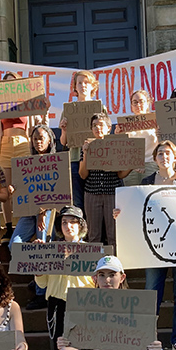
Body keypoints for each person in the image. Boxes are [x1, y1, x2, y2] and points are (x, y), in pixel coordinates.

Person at [114, 140, 176, 350]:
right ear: (155, 158)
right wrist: (121, 214)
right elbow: (136, 212)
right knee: (152, 295)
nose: (164, 157)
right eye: (160, 153)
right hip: (154, 249)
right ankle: (150, 339)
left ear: (175, 156)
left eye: (168, 153)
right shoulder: (146, 182)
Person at [57, 255, 162, 350]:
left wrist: (156, 348)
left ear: (122, 277)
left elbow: (149, 339)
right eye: (102, 275)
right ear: (95, 278)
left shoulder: (137, 305)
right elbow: (72, 338)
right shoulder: (82, 303)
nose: (107, 280)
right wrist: (64, 342)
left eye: (112, 275)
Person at [35, 206, 95, 350]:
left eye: (73, 222)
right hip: (57, 303)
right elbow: (42, 283)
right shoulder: (50, 250)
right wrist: (38, 267)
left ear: (81, 225)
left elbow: (98, 282)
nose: (68, 226)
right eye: (64, 222)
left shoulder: (91, 251)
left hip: (82, 302)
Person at [9, 124, 57, 310]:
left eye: (41, 138)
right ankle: (37, 278)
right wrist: (14, 189)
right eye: (35, 138)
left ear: (50, 140)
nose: (38, 142)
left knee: (42, 244)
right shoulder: (26, 161)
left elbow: (59, 191)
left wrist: (43, 212)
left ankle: (40, 293)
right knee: (15, 245)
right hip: (29, 213)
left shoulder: (56, 161)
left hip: (49, 212)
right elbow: (22, 189)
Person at [79, 113, 130, 247]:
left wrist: (132, 166)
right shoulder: (87, 146)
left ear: (108, 128)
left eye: (100, 125)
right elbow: (83, 175)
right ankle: (96, 266)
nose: (97, 128)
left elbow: (120, 175)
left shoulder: (116, 146)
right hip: (92, 193)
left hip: (112, 193)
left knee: (113, 234)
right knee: (93, 235)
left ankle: (114, 266)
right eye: (94, 126)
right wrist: (85, 154)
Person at [59, 70, 102, 211]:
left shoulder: (100, 109)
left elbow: (105, 136)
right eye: (79, 83)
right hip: (75, 159)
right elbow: (63, 142)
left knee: (94, 199)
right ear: (75, 87)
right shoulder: (68, 111)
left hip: (95, 160)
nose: (83, 85)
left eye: (86, 82)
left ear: (93, 86)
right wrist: (64, 130)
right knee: (77, 200)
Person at [0, 72, 32, 241]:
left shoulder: (26, 103)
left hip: (22, 143)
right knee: (5, 187)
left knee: (22, 186)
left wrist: (43, 109)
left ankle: (24, 225)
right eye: (7, 83)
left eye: (13, 83)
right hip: (4, 142)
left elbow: (34, 124)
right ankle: (9, 227)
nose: (10, 86)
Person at [116, 90, 159, 187]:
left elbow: (163, 145)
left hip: (150, 164)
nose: (138, 104)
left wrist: (159, 133)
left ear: (148, 103)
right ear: (131, 105)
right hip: (131, 167)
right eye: (135, 102)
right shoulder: (125, 125)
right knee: (131, 197)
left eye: (141, 101)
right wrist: (118, 136)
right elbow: (121, 149)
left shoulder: (155, 122)